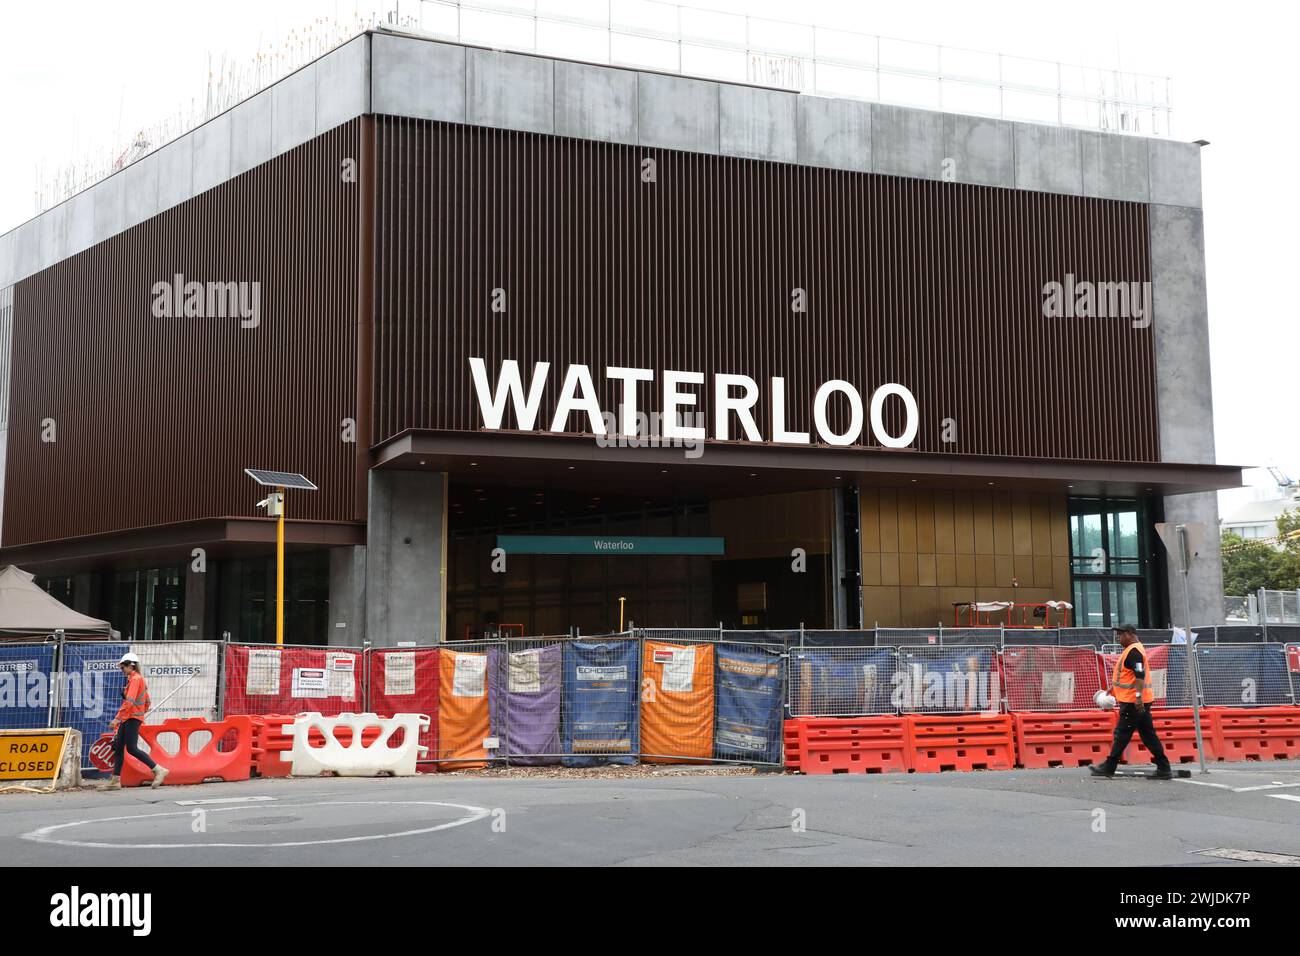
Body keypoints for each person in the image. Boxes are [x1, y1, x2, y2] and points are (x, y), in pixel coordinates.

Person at [1090, 625, 1173, 780]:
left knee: (1122, 734)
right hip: (1137, 701)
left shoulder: (1134, 652)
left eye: (1120, 635)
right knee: (1148, 735)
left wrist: (1138, 697)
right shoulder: (1132, 650)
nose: (1117, 638)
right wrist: (1112, 689)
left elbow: (1139, 676)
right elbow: (1127, 677)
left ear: (1129, 634)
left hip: (1134, 702)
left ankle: (1109, 766)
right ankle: (1164, 767)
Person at [101, 653, 169, 790]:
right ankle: (115, 780)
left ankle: (158, 769)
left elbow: (129, 702)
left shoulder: (136, 679)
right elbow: (147, 701)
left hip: (131, 718)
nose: (122, 670)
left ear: (130, 665)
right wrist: (139, 712)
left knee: (132, 748)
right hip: (130, 718)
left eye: (123, 667)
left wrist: (117, 719)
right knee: (118, 747)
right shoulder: (135, 679)